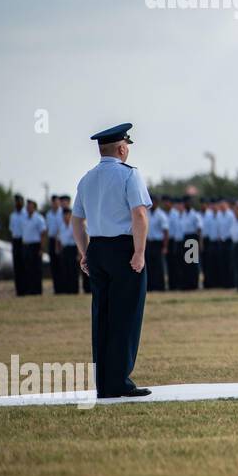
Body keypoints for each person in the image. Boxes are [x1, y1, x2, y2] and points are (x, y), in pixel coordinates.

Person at [72, 123, 152, 398]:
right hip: (123, 249)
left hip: (97, 249)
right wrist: (139, 252)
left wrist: (84, 251)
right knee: (126, 316)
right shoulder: (129, 175)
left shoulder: (87, 178)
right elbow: (139, 216)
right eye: (127, 146)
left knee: (102, 316)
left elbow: (76, 220)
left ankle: (104, 383)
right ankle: (120, 380)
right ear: (121, 148)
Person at [20, 200, 46, 295]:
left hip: (35, 246)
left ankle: (37, 290)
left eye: (30, 206)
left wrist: (41, 248)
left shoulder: (39, 219)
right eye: (27, 206)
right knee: (27, 268)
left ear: (34, 208)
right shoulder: (24, 218)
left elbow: (43, 234)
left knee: (36, 269)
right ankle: (29, 290)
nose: (28, 208)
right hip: (26, 245)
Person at [56, 206, 80, 294]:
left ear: (70, 215)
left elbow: (78, 240)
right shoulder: (61, 226)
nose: (66, 216)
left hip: (73, 250)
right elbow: (58, 239)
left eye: (67, 214)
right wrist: (58, 249)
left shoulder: (73, 226)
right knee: (65, 270)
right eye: (64, 215)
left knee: (73, 270)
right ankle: (67, 290)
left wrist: (79, 253)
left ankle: (74, 290)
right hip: (65, 249)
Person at [9, 194, 25, 295]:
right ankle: (19, 290)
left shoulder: (25, 214)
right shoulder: (12, 215)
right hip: (15, 241)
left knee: (24, 265)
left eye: (19, 201)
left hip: (24, 241)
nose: (18, 203)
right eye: (16, 201)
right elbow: (12, 230)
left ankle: (25, 289)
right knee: (17, 266)